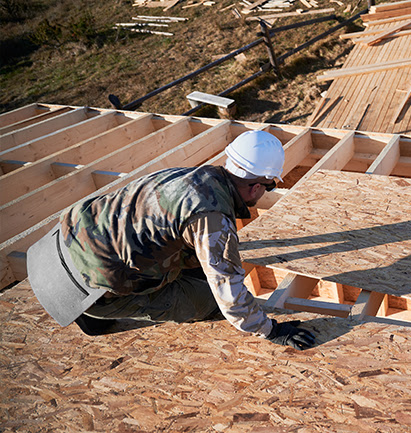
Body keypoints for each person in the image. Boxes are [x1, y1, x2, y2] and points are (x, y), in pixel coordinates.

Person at [26, 130, 316, 350]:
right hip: (83, 290)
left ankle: (103, 302)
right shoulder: (212, 218)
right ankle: (97, 314)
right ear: (255, 187)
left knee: (194, 266)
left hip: (59, 247)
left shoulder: (191, 176)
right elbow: (231, 299)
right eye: (268, 186)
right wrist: (272, 331)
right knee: (210, 303)